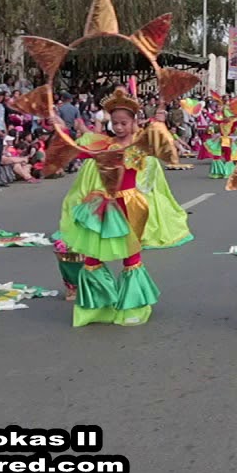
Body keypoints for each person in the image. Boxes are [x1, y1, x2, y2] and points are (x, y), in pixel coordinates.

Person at [54, 88, 178, 327]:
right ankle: (98, 308)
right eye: (115, 123)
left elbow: (163, 144)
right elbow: (78, 149)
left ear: (134, 122)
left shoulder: (141, 144)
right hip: (103, 206)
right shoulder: (103, 143)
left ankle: (133, 307)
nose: (119, 127)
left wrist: (161, 109)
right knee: (93, 256)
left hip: (131, 204)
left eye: (123, 123)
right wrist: (59, 126)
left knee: (130, 257)